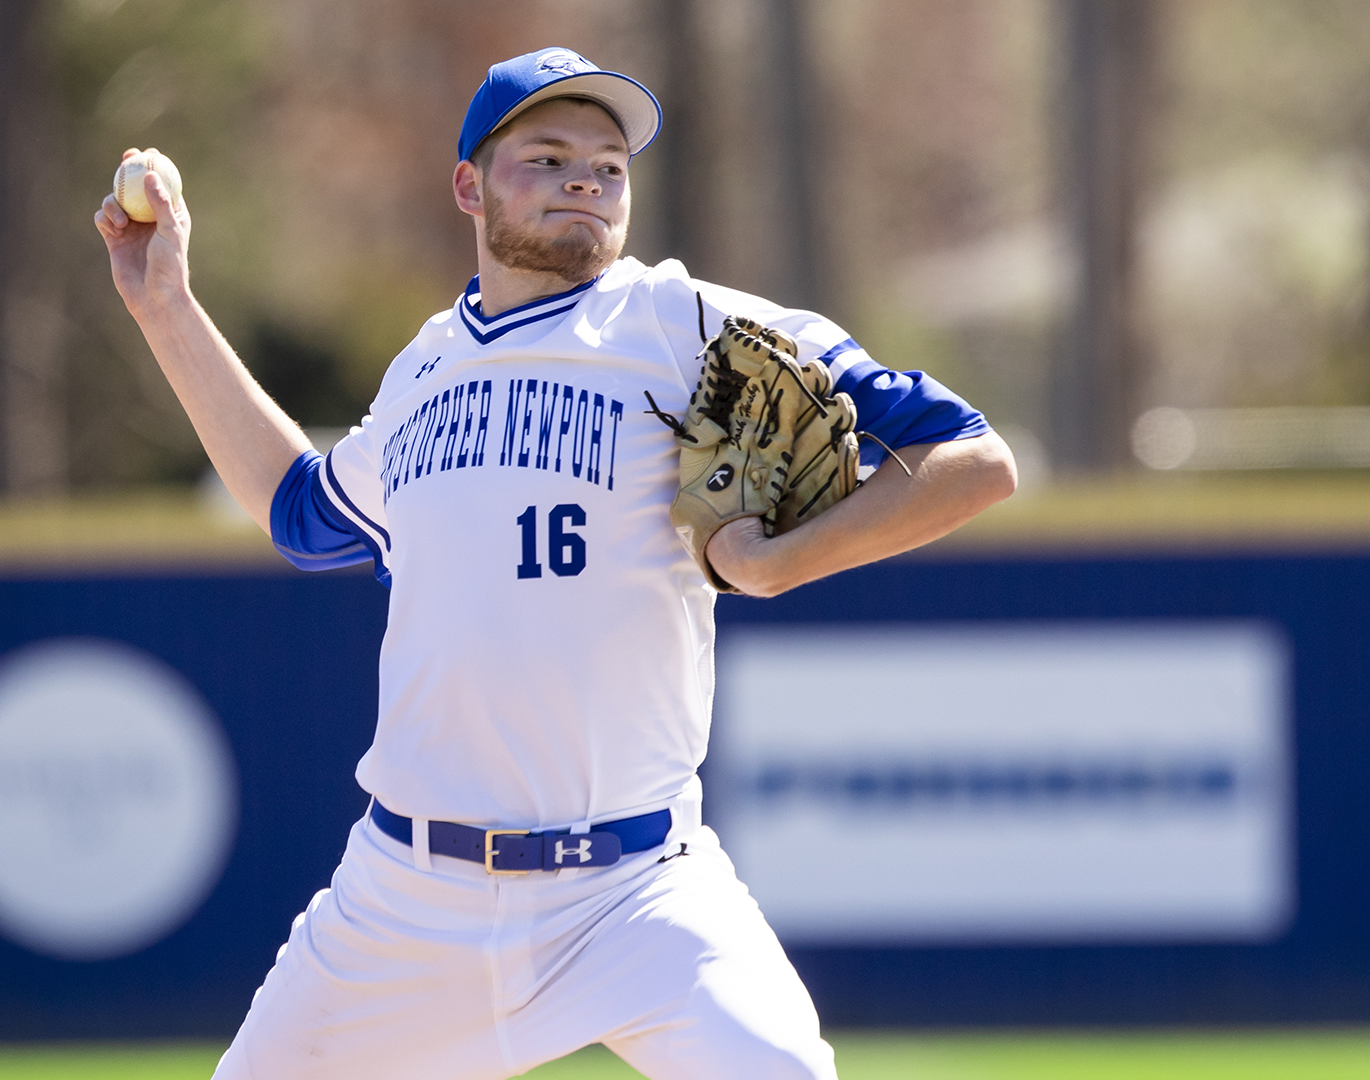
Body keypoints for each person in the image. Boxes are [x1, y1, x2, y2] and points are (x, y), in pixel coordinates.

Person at [96, 46, 1015, 1080]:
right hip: (406, 900)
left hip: (635, 894)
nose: (586, 178)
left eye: (609, 165)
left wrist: (779, 562)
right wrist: (164, 306)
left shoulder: (684, 323)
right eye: (545, 156)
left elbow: (973, 460)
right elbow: (305, 514)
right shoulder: (423, 368)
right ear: (469, 187)